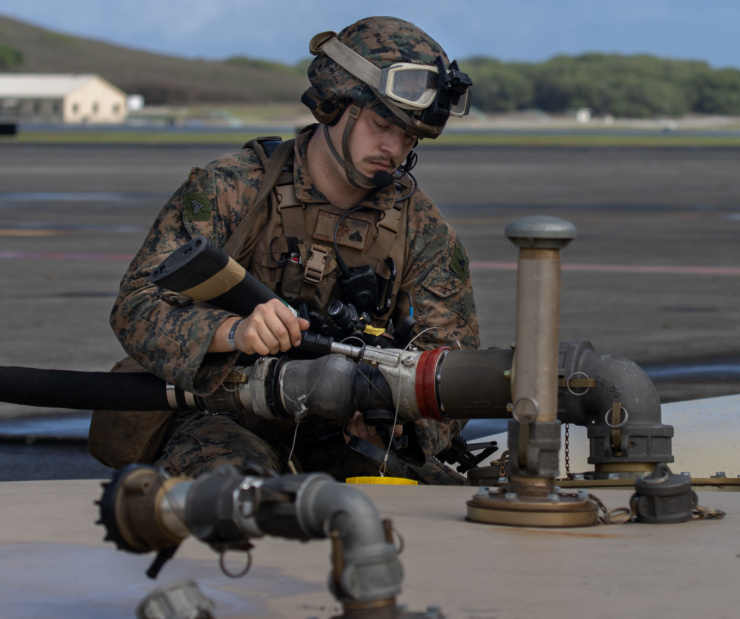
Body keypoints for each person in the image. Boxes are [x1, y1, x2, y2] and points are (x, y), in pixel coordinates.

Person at [88, 16, 478, 483]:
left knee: (433, 505)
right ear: (337, 105)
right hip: (219, 414)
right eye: (381, 124)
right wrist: (231, 332)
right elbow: (135, 306)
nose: (394, 148)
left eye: (410, 137)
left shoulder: (423, 228)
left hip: (342, 435)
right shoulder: (232, 189)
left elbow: (456, 366)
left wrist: (400, 426)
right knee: (235, 483)